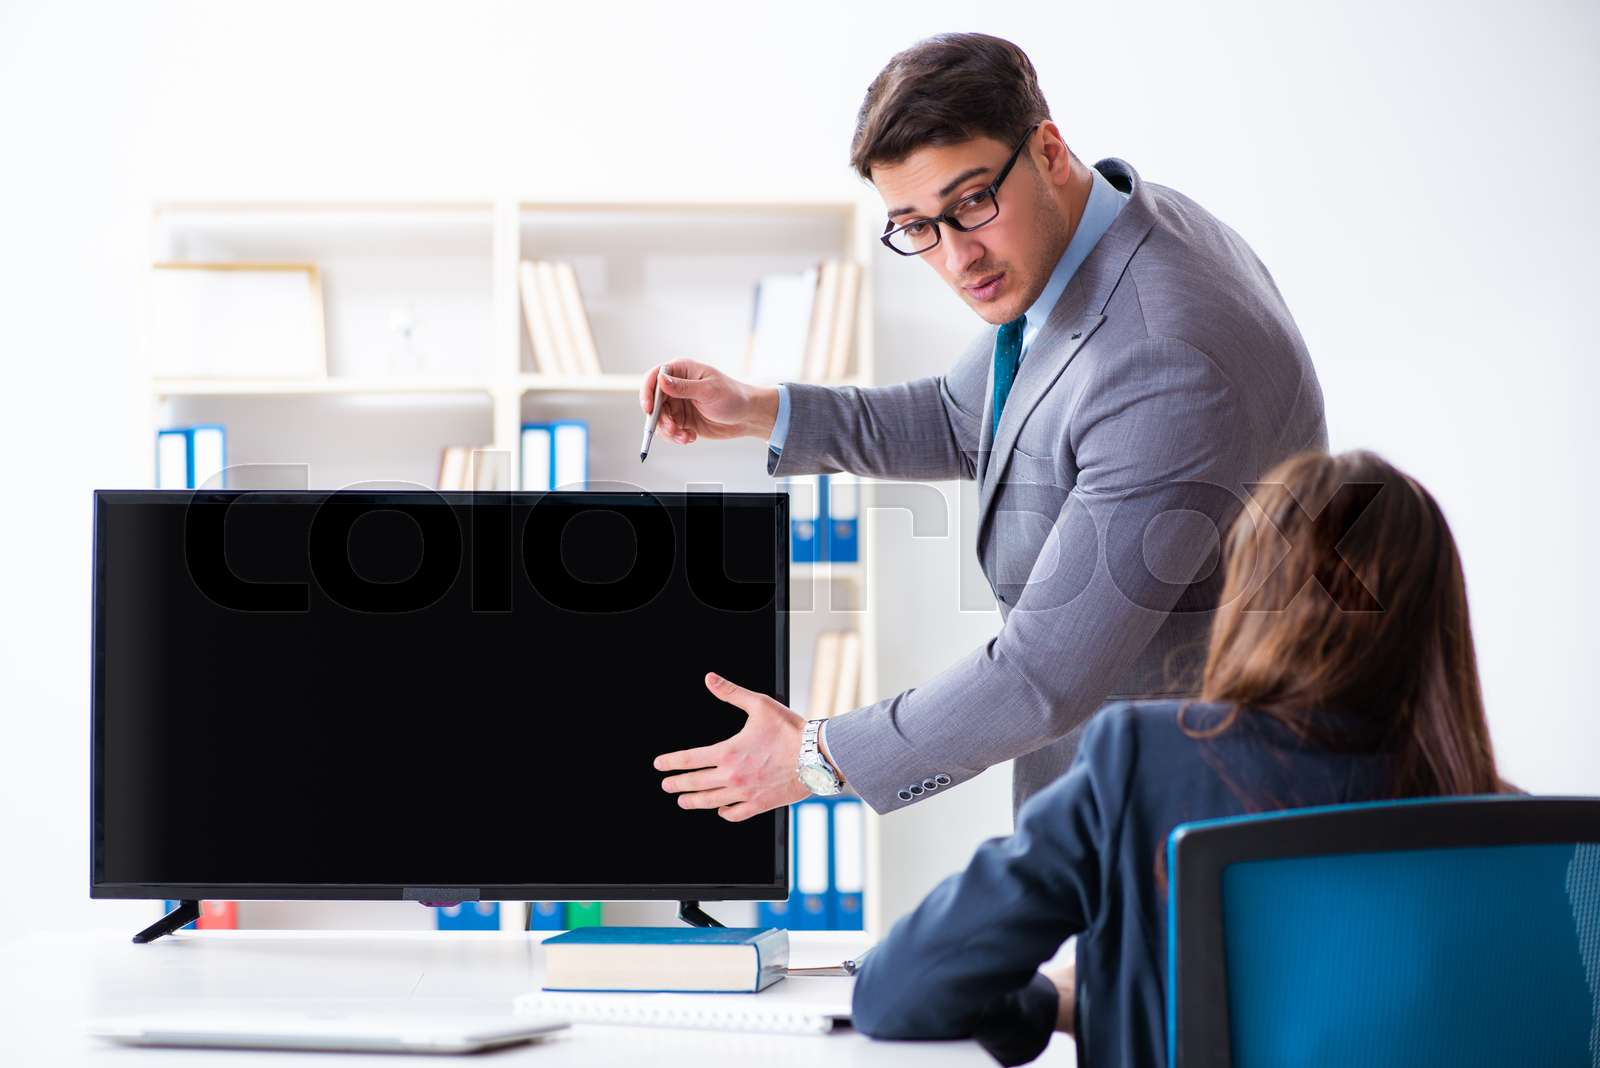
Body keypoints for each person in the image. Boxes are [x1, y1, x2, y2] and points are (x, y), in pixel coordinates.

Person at [647, 32, 1326, 822]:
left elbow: (1045, 675)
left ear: (1048, 150)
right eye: (917, 227)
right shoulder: (1105, 239)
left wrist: (817, 757)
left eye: (972, 202)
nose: (957, 257)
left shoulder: (1161, 359)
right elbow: (961, 415)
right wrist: (762, 408)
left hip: (1191, 823)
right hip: (1125, 799)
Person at [848, 449, 1507, 1066]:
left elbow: (901, 989)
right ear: (1439, 623)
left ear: (1251, 605)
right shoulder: (1516, 837)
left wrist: (1058, 1001)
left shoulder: (1147, 762)